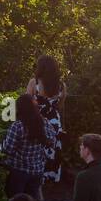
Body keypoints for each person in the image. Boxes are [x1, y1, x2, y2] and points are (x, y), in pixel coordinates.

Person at [27, 55, 66, 191]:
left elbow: (27, 103)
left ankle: (37, 188)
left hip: (38, 120)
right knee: (50, 150)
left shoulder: (34, 83)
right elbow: (60, 105)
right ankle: (46, 182)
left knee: (36, 151)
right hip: (54, 122)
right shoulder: (61, 86)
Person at [1, 93, 49, 198]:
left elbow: (8, 149)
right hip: (37, 170)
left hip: (19, 171)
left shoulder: (18, 126)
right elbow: (52, 139)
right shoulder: (43, 122)